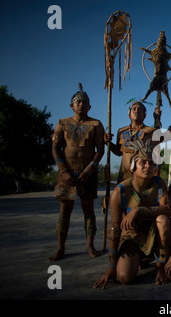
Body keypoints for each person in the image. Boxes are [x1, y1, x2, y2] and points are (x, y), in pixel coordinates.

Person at [94, 140, 171, 288]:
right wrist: (111, 266)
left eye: (151, 163)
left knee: (163, 220)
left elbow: (167, 210)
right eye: (143, 162)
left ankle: (159, 267)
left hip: (155, 234)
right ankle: (141, 258)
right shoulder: (120, 191)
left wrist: (139, 210)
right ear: (133, 166)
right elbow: (114, 228)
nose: (148, 166)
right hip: (132, 237)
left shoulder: (158, 183)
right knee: (124, 277)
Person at [49, 83, 105, 261]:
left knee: (88, 209)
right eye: (78, 101)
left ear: (89, 106)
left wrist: (89, 171)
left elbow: (100, 150)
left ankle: (90, 245)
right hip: (67, 171)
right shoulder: (62, 123)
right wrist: (63, 170)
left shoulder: (96, 124)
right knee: (65, 210)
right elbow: (55, 148)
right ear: (71, 105)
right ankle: (60, 248)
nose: (81, 104)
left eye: (85, 102)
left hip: (88, 173)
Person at [104, 100, 157, 183]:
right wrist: (108, 142)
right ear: (129, 115)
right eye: (134, 109)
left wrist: (157, 118)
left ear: (144, 115)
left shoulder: (150, 131)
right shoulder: (121, 132)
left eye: (140, 109)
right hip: (124, 175)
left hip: (141, 175)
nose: (137, 111)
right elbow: (118, 152)